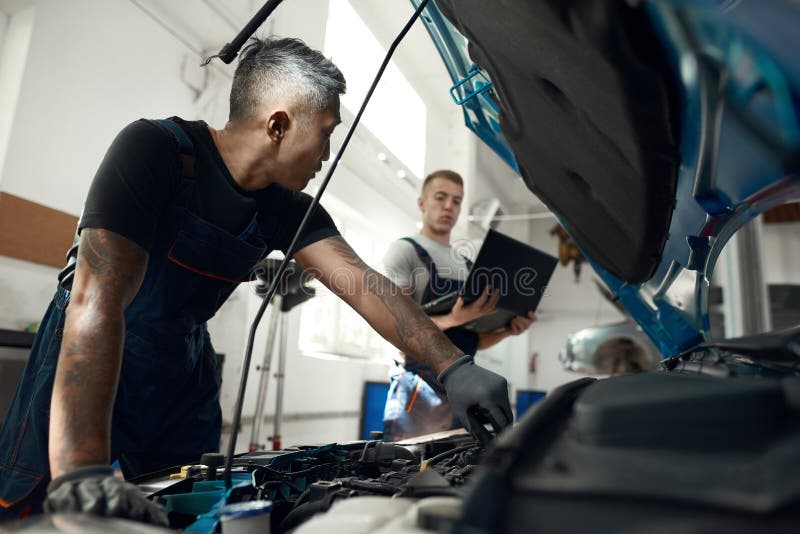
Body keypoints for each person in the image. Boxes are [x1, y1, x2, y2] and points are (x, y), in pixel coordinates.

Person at [0, 38, 512, 525]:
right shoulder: (156, 150)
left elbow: (364, 284)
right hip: (85, 351)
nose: (327, 153)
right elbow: (97, 301)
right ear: (279, 124)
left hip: (180, 370)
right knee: (47, 509)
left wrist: (453, 366)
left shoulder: (287, 209)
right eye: (327, 132)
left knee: (188, 502)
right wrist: (83, 468)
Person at [381, 170, 536, 442]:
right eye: (440, 198)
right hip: (419, 386)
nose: (448, 206)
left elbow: (472, 340)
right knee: (411, 472)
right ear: (422, 203)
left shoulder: (466, 266)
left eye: (456, 201)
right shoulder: (404, 251)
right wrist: (453, 318)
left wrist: (508, 330)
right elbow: (396, 328)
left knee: (456, 468)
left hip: (464, 381)